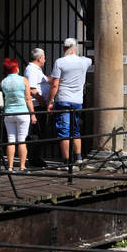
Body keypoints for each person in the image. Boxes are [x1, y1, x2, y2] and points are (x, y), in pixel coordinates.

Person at [47, 37, 92, 165]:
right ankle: (78, 158)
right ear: (75, 48)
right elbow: (93, 59)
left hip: (63, 100)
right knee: (76, 129)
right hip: (77, 101)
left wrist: (50, 101)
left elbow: (55, 84)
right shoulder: (85, 61)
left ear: (64, 48)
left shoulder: (60, 62)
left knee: (64, 131)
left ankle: (66, 161)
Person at [0, 58, 36, 172]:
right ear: (16, 68)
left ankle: (10, 166)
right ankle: (22, 166)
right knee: (22, 140)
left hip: (9, 113)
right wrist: (32, 114)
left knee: (11, 140)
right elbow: (28, 98)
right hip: (22, 113)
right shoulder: (23, 80)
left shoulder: (3, 82)